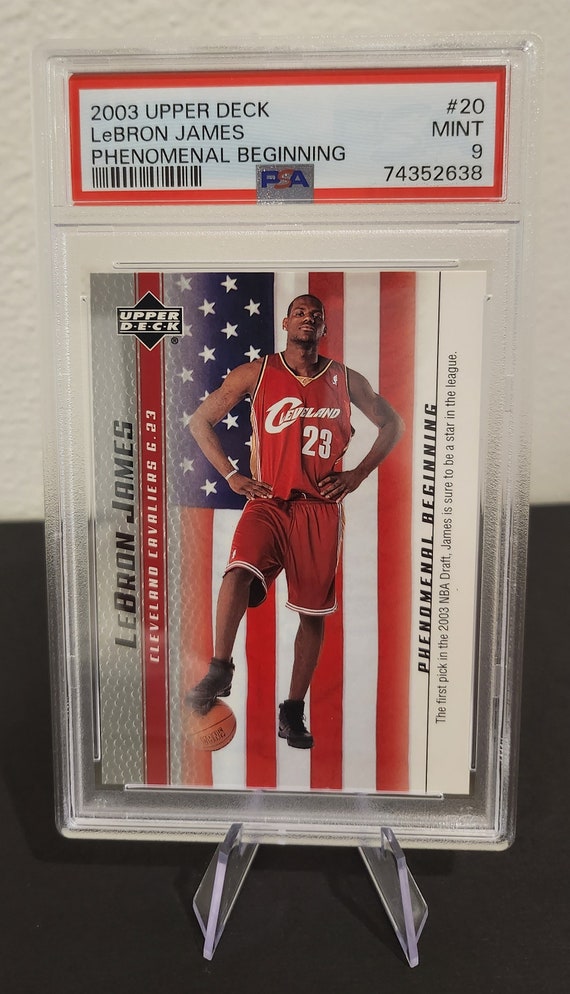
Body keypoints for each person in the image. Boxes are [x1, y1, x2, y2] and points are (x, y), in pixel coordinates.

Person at [186, 293, 404, 748]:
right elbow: (200, 421)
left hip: (319, 509)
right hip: (268, 500)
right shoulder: (257, 372)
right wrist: (231, 475)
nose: (308, 319)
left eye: (315, 315)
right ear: (285, 323)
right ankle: (220, 668)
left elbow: (393, 424)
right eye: (299, 313)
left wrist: (358, 474)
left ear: (324, 328)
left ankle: (291, 711)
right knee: (236, 573)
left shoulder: (346, 379)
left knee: (312, 613)